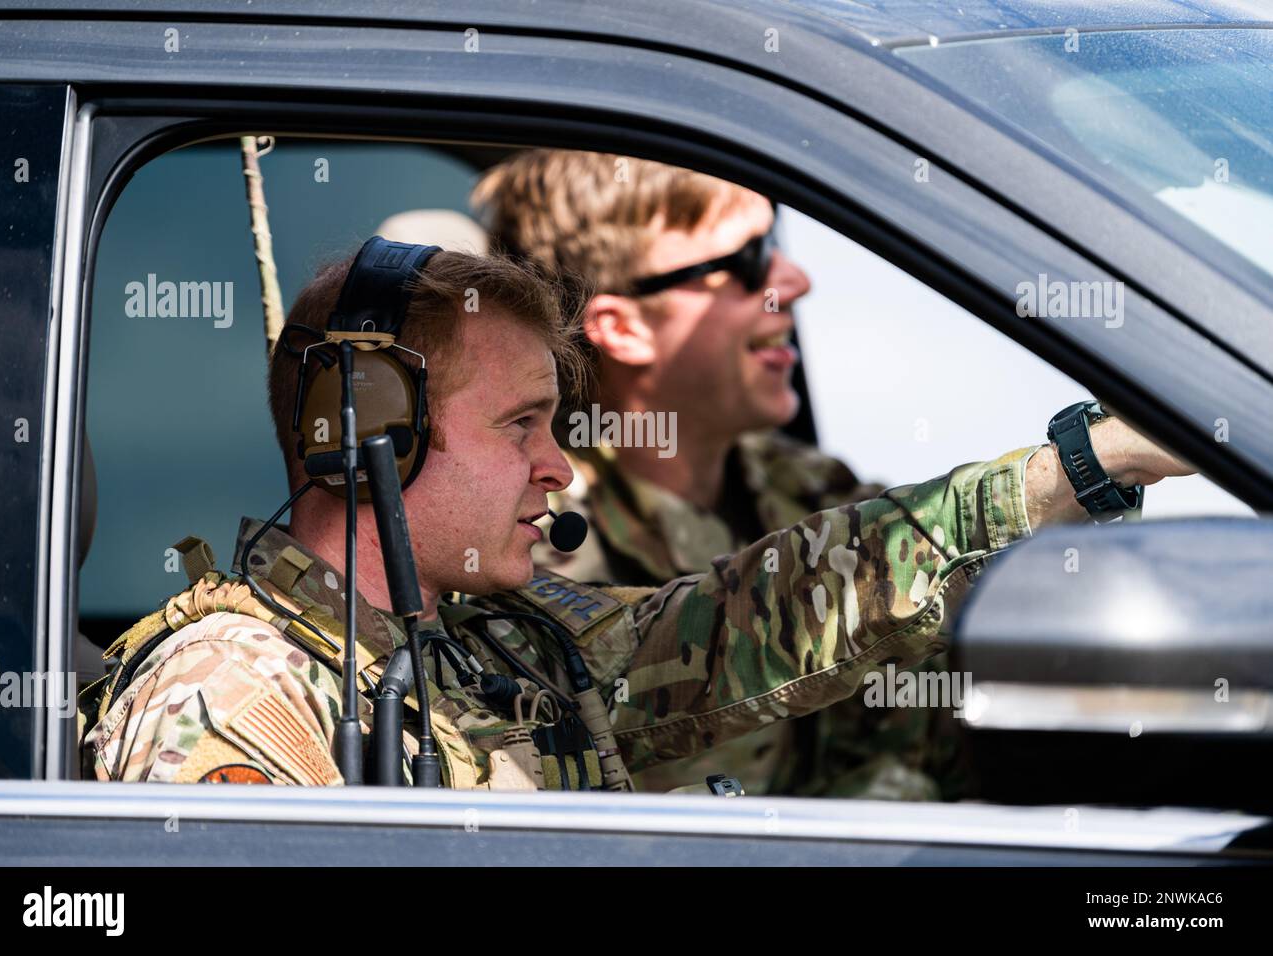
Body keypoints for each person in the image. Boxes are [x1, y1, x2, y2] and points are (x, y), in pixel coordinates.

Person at [81, 245, 1189, 789]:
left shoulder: (501, 641)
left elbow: (770, 609)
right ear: (370, 430)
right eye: (521, 423)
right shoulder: (228, 692)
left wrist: (1077, 465)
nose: (558, 468)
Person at [471, 149, 1173, 798]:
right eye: (748, 262)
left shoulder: (802, 488)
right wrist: (1088, 461)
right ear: (625, 328)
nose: (794, 282)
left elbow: (956, 687)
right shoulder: (528, 551)